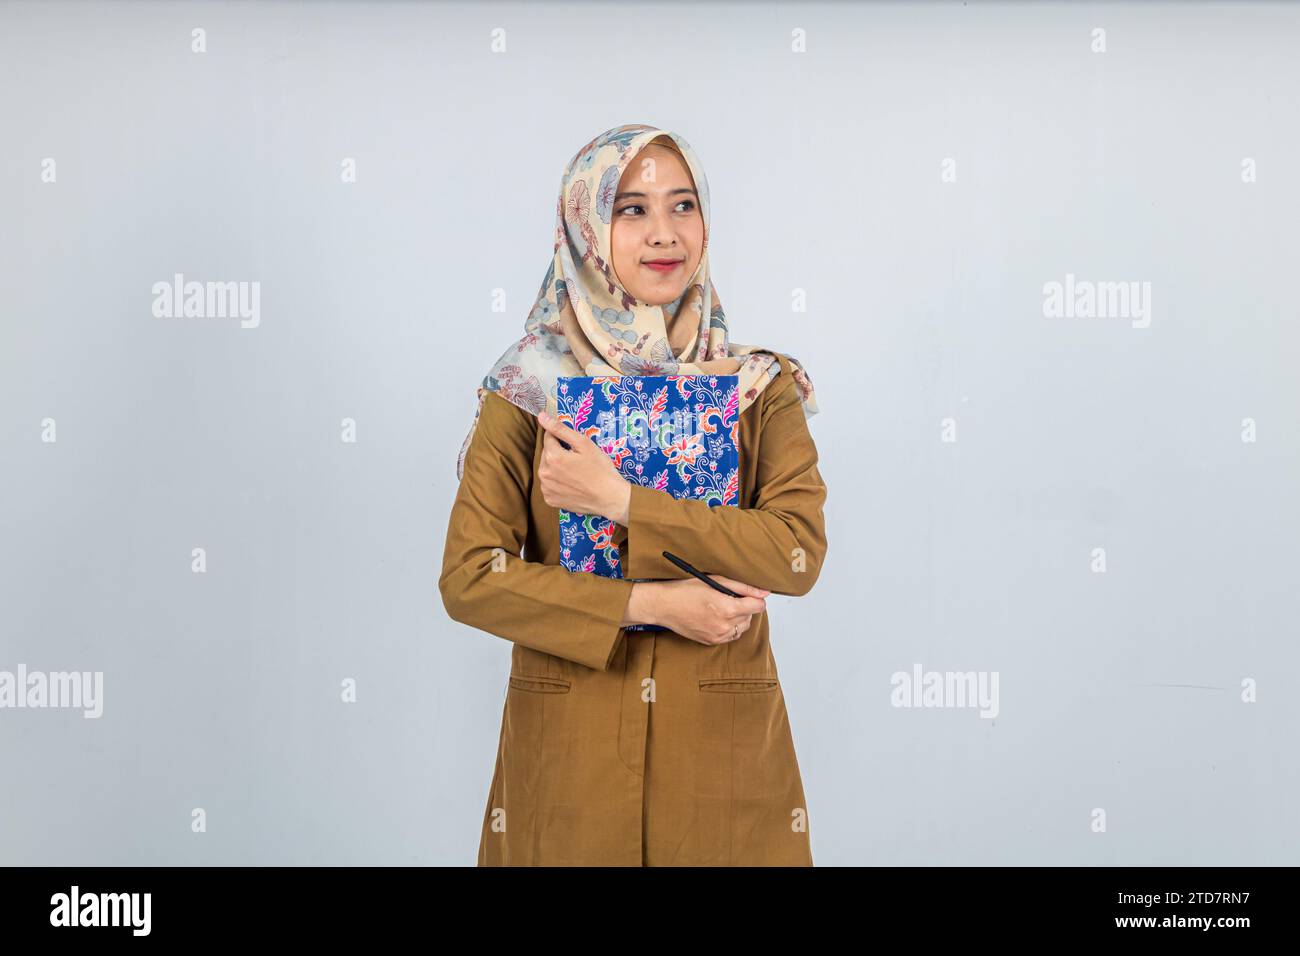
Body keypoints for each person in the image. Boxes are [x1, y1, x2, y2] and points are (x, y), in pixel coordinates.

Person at [439, 123, 828, 866]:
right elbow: (469, 580)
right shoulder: (527, 388)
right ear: (586, 227)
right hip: (570, 761)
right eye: (631, 209)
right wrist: (647, 605)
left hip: (722, 763)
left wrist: (622, 502)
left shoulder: (757, 388)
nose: (664, 234)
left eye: (683, 206)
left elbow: (798, 554)